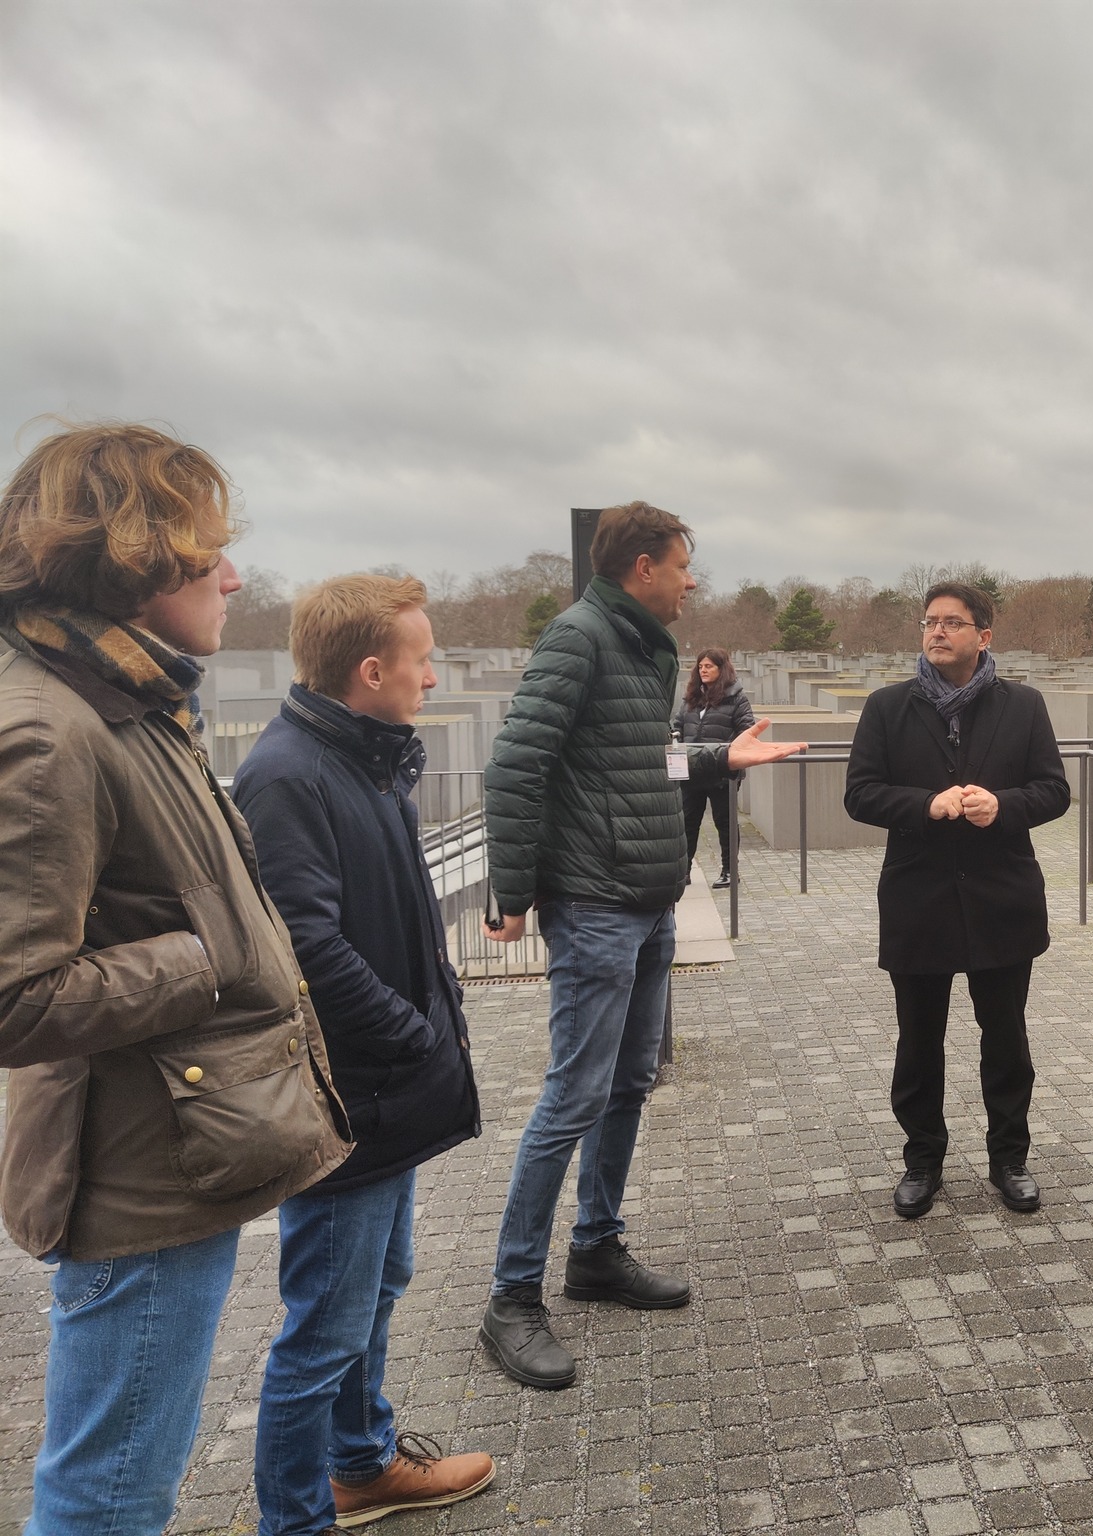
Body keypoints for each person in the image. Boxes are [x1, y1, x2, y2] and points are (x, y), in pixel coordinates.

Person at [0, 423, 351, 1535]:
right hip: (136, 1178)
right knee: (110, 1495)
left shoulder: (124, 696)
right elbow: (15, 997)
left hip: (174, 1147)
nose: (235, 575)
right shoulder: (50, 730)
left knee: (123, 1478)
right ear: (136, 558)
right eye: (210, 552)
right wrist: (213, 956)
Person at [479, 501, 804, 1389]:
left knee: (627, 1082)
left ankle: (595, 1252)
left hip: (648, 898)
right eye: (683, 564)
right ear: (643, 567)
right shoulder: (579, 638)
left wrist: (718, 763)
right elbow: (513, 767)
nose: (693, 580)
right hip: (594, 906)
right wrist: (512, 893)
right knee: (571, 1096)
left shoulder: (635, 646)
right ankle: (511, 1297)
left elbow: (632, 766)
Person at [232, 574, 493, 1533]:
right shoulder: (291, 772)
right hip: (351, 1104)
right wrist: (409, 1031)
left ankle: (362, 1464)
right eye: (423, 659)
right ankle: (296, 1516)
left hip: (390, 1092)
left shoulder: (362, 757)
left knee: (376, 1288)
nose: (435, 675)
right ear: (372, 670)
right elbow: (304, 944)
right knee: (324, 1330)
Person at [844, 581, 1071, 1220]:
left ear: (983, 635)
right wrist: (923, 805)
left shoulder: (1023, 706)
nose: (937, 632)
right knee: (919, 1041)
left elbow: (1054, 791)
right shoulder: (887, 707)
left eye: (952, 622)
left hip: (1002, 899)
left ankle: (1009, 1158)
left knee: (1005, 1039)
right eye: (929, 622)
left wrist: (1003, 807)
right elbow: (860, 794)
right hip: (919, 898)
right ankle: (923, 1159)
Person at [673, 646, 755, 889]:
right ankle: (683, 871)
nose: (703, 670)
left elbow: (746, 730)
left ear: (721, 669)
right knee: (687, 822)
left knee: (725, 823)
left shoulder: (736, 697)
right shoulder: (691, 697)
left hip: (722, 772)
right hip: (692, 771)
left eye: (708, 666)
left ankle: (730, 871)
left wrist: (728, 755)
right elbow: (678, 725)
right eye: (700, 666)